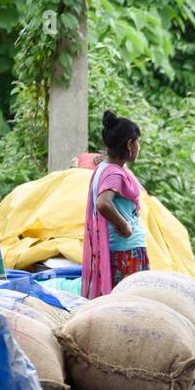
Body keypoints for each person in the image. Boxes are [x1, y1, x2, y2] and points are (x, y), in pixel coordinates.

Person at [82, 110, 148, 297]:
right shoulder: (114, 174)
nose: (139, 147)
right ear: (129, 144)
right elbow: (104, 203)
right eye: (138, 142)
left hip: (123, 248)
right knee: (129, 301)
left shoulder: (106, 167)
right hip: (126, 251)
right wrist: (124, 226)